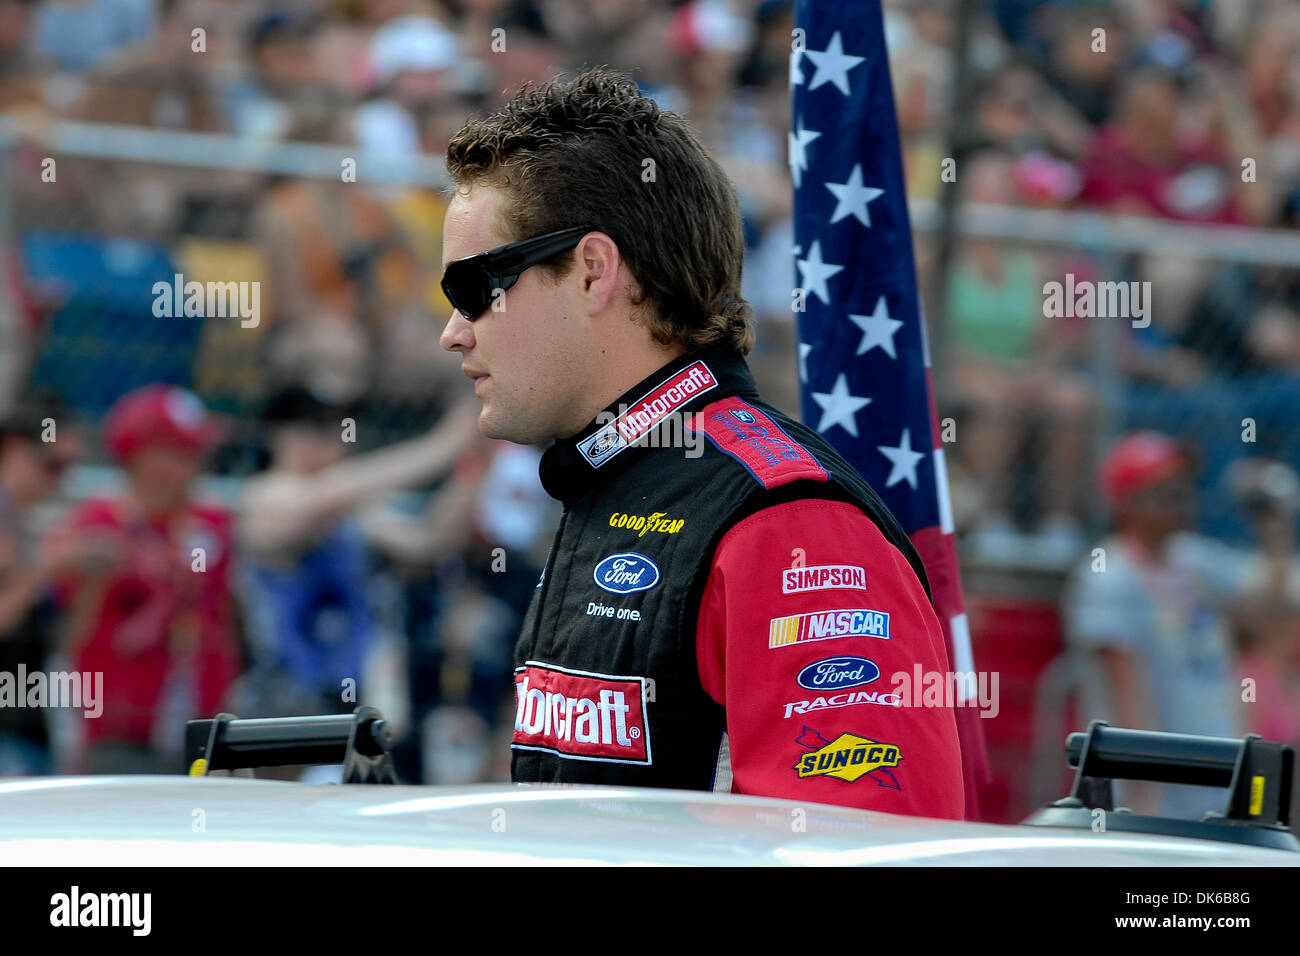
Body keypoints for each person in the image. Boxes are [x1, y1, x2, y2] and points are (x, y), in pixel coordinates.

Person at [438, 69, 964, 819]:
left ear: (592, 272)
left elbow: (868, 849)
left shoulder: (789, 526)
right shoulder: (610, 477)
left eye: (473, 288)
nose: (453, 330)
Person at [49, 385, 241, 774]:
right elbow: (67, 635)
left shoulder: (212, 526)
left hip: (200, 729)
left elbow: (223, 621)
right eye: (182, 451)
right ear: (144, 457)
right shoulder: (95, 525)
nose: (196, 464)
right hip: (115, 734)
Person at [1063, 432, 1249, 819]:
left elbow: (1274, 608)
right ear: (1128, 504)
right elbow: (1126, 692)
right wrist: (1144, 796)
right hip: (1158, 785)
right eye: (1165, 490)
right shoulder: (1110, 576)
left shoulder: (1198, 560)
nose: (1182, 499)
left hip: (1218, 770)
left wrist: (1274, 524)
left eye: (1183, 488)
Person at [0, 400, 85, 775]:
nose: (59, 479)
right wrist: (47, 567)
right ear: (15, 448)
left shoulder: (25, 525)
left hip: (29, 726)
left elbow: (63, 645)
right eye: (52, 464)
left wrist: (91, 581)